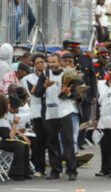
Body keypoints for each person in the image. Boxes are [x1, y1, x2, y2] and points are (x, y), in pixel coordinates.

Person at [34, 53, 79, 181]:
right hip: (50, 112)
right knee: (51, 142)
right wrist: (44, 86)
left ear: (60, 62)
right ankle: (55, 170)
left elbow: (76, 93)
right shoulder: (45, 74)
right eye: (50, 62)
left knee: (67, 141)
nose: (52, 64)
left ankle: (71, 170)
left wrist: (68, 93)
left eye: (54, 62)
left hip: (65, 111)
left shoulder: (68, 74)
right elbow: (37, 93)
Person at [0, 95, 31, 181]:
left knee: (24, 144)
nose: (9, 105)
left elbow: (10, 132)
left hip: (3, 140)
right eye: (7, 104)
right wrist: (15, 123)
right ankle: (15, 173)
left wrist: (22, 136)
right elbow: (10, 136)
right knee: (19, 146)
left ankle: (25, 171)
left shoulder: (3, 116)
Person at [22, 54, 47, 177]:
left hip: (50, 111)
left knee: (51, 140)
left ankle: (55, 167)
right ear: (33, 65)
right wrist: (42, 85)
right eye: (38, 62)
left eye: (42, 62)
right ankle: (39, 168)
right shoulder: (28, 78)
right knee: (39, 141)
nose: (40, 64)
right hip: (37, 111)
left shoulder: (50, 75)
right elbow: (33, 93)